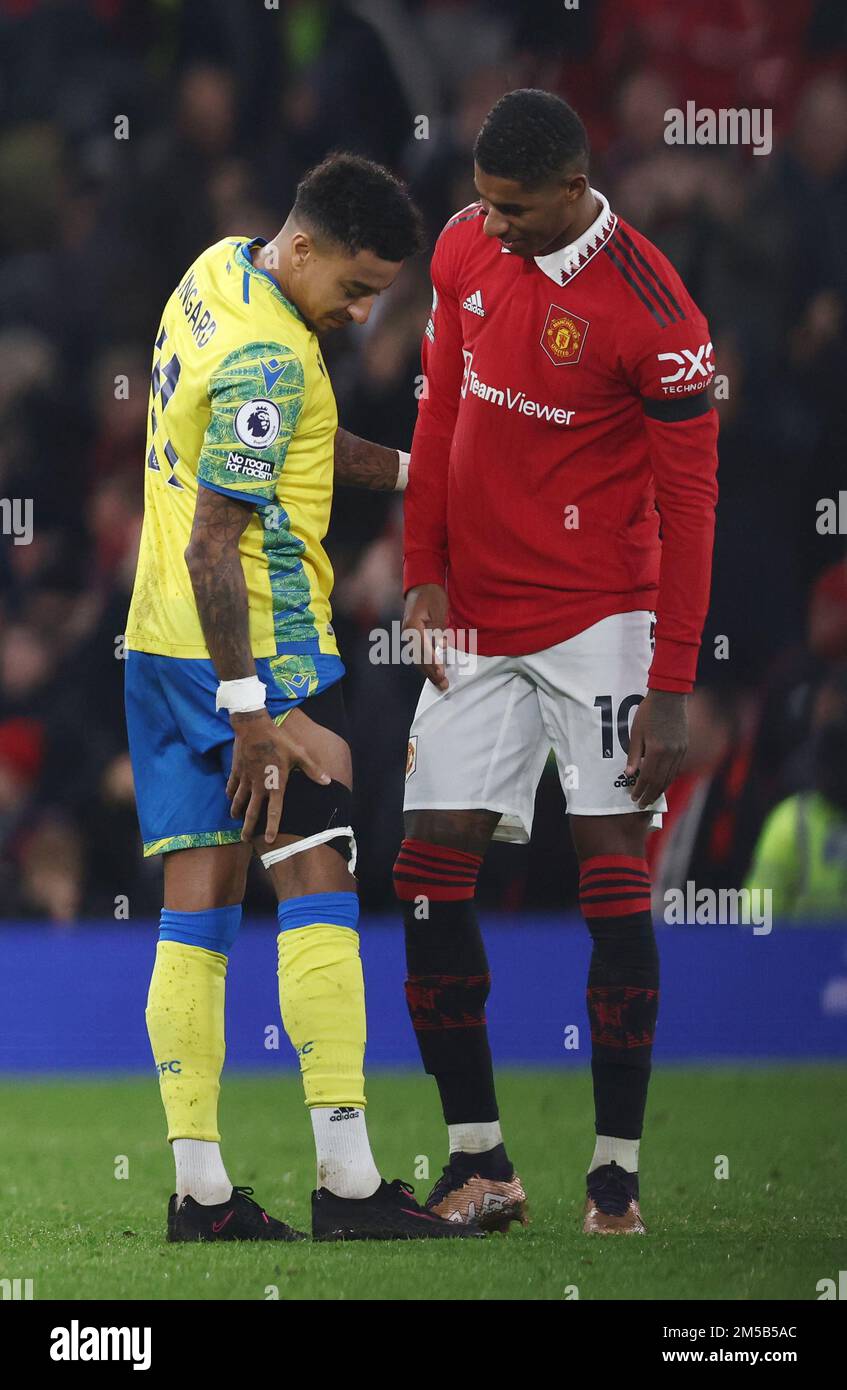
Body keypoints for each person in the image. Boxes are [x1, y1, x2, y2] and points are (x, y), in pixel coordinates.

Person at [124, 153, 479, 1243]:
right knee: (319, 872)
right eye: (358, 287)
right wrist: (255, 715)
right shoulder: (273, 357)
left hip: (156, 647)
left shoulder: (219, 271)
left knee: (197, 909)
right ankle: (352, 1185)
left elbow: (307, 455)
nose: (367, 312)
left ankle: (201, 1194)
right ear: (308, 247)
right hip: (248, 656)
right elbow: (219, 547)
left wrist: (429, 472)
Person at [398, 91, 719, 1234]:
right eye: (482, 205)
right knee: (428, 877)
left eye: (515, 210)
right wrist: (422, 565)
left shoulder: (656, 314)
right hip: (475, 616)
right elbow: (437, 412)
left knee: (612, 883)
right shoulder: (461, 248)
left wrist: (669, 686)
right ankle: (479, 1161)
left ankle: (615, 1177)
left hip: (604, 621)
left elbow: (692, 508)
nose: (493, 229)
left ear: (577, 186)